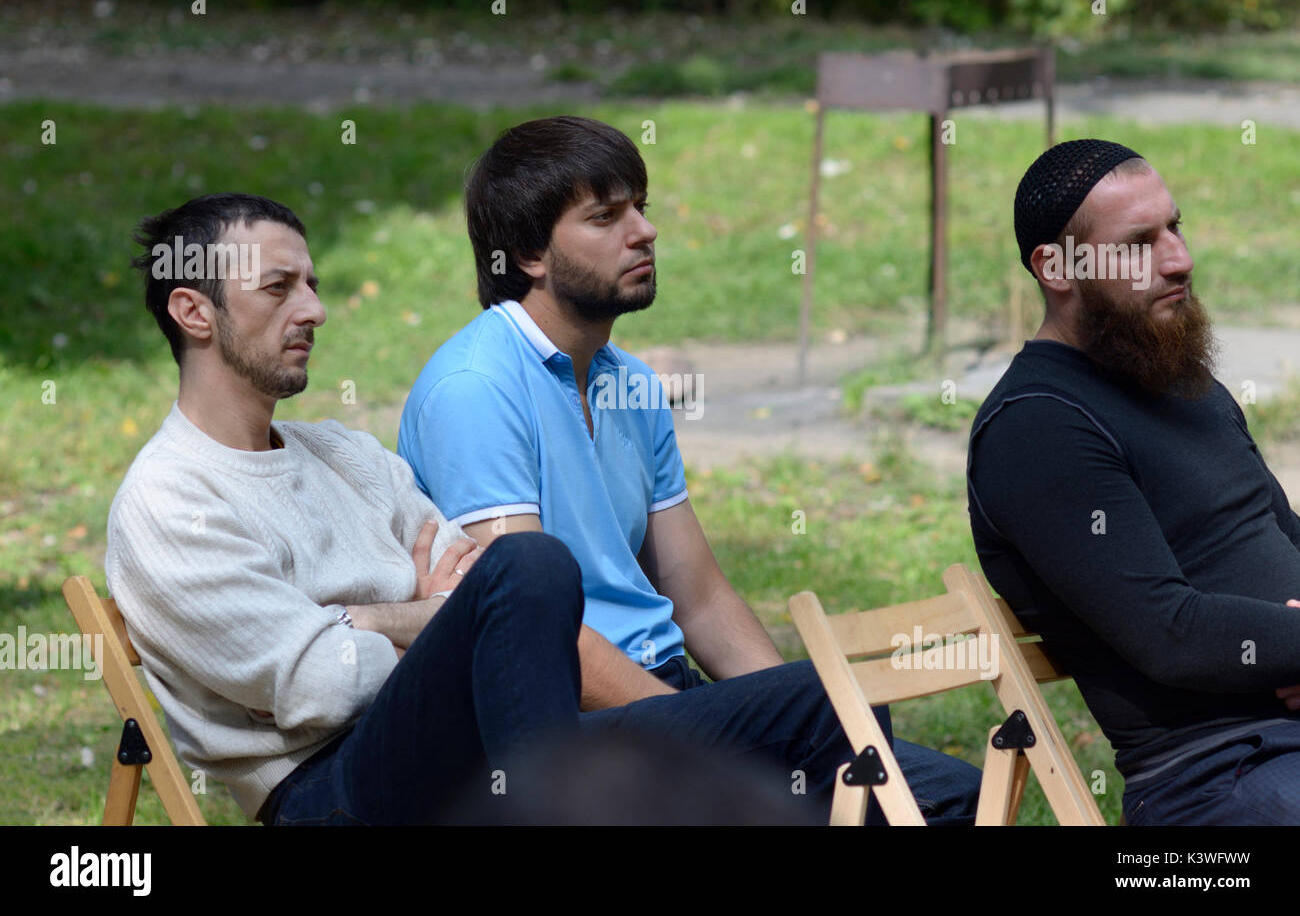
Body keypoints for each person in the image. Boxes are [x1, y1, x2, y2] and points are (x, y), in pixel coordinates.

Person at [106, 192, 887, 826]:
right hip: (337, 792)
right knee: (532, 562)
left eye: (312, 284)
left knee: (841, 706)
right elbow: (321, 686)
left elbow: (479, 600)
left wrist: (376, 617)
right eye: (279, 288)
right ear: (193, 311)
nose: (312, 309)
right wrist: (433, 611)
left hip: (489, 750)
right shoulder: (172, 500)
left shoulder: (341, 452)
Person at [398, 115, 982, 824]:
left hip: (670, 692)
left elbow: (699, 596)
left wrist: (795, 724)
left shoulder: (631, 382)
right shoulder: (475, 387)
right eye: (605, 217)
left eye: (641, 208)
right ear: (528, 253)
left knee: (952, 794)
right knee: (828, 740)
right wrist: (727, 749)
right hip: (568, 728)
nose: (642, 232)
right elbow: (525, 638)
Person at [967, 139, 1300, 825]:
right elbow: (1170, 633)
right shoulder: (1037, 427)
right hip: (1217, 774)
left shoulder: (1181, 379)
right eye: (1139, 243)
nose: (1179, 258)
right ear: (1054, 267)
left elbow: (1285, 536)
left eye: (1174, 227)